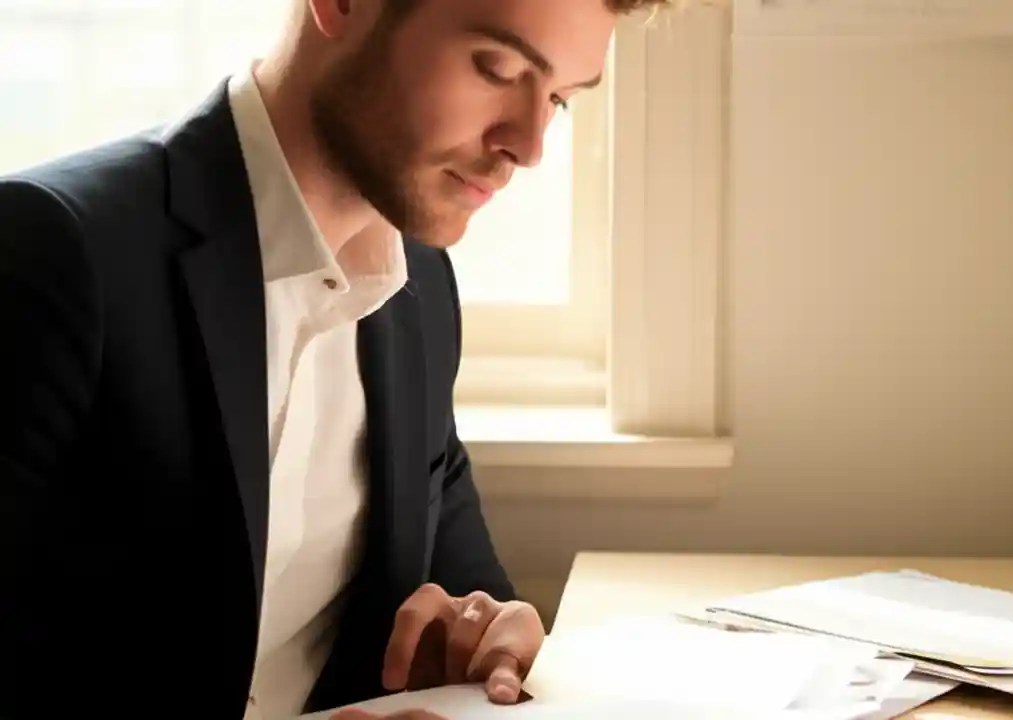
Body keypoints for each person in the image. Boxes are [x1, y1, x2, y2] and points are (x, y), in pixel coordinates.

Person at [0, 0, 668, 717]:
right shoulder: (53, 252)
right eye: (496, 69)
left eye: (561, 100)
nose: (529, 145)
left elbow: (463, 601)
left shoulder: (420, 289)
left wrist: (490, 635)